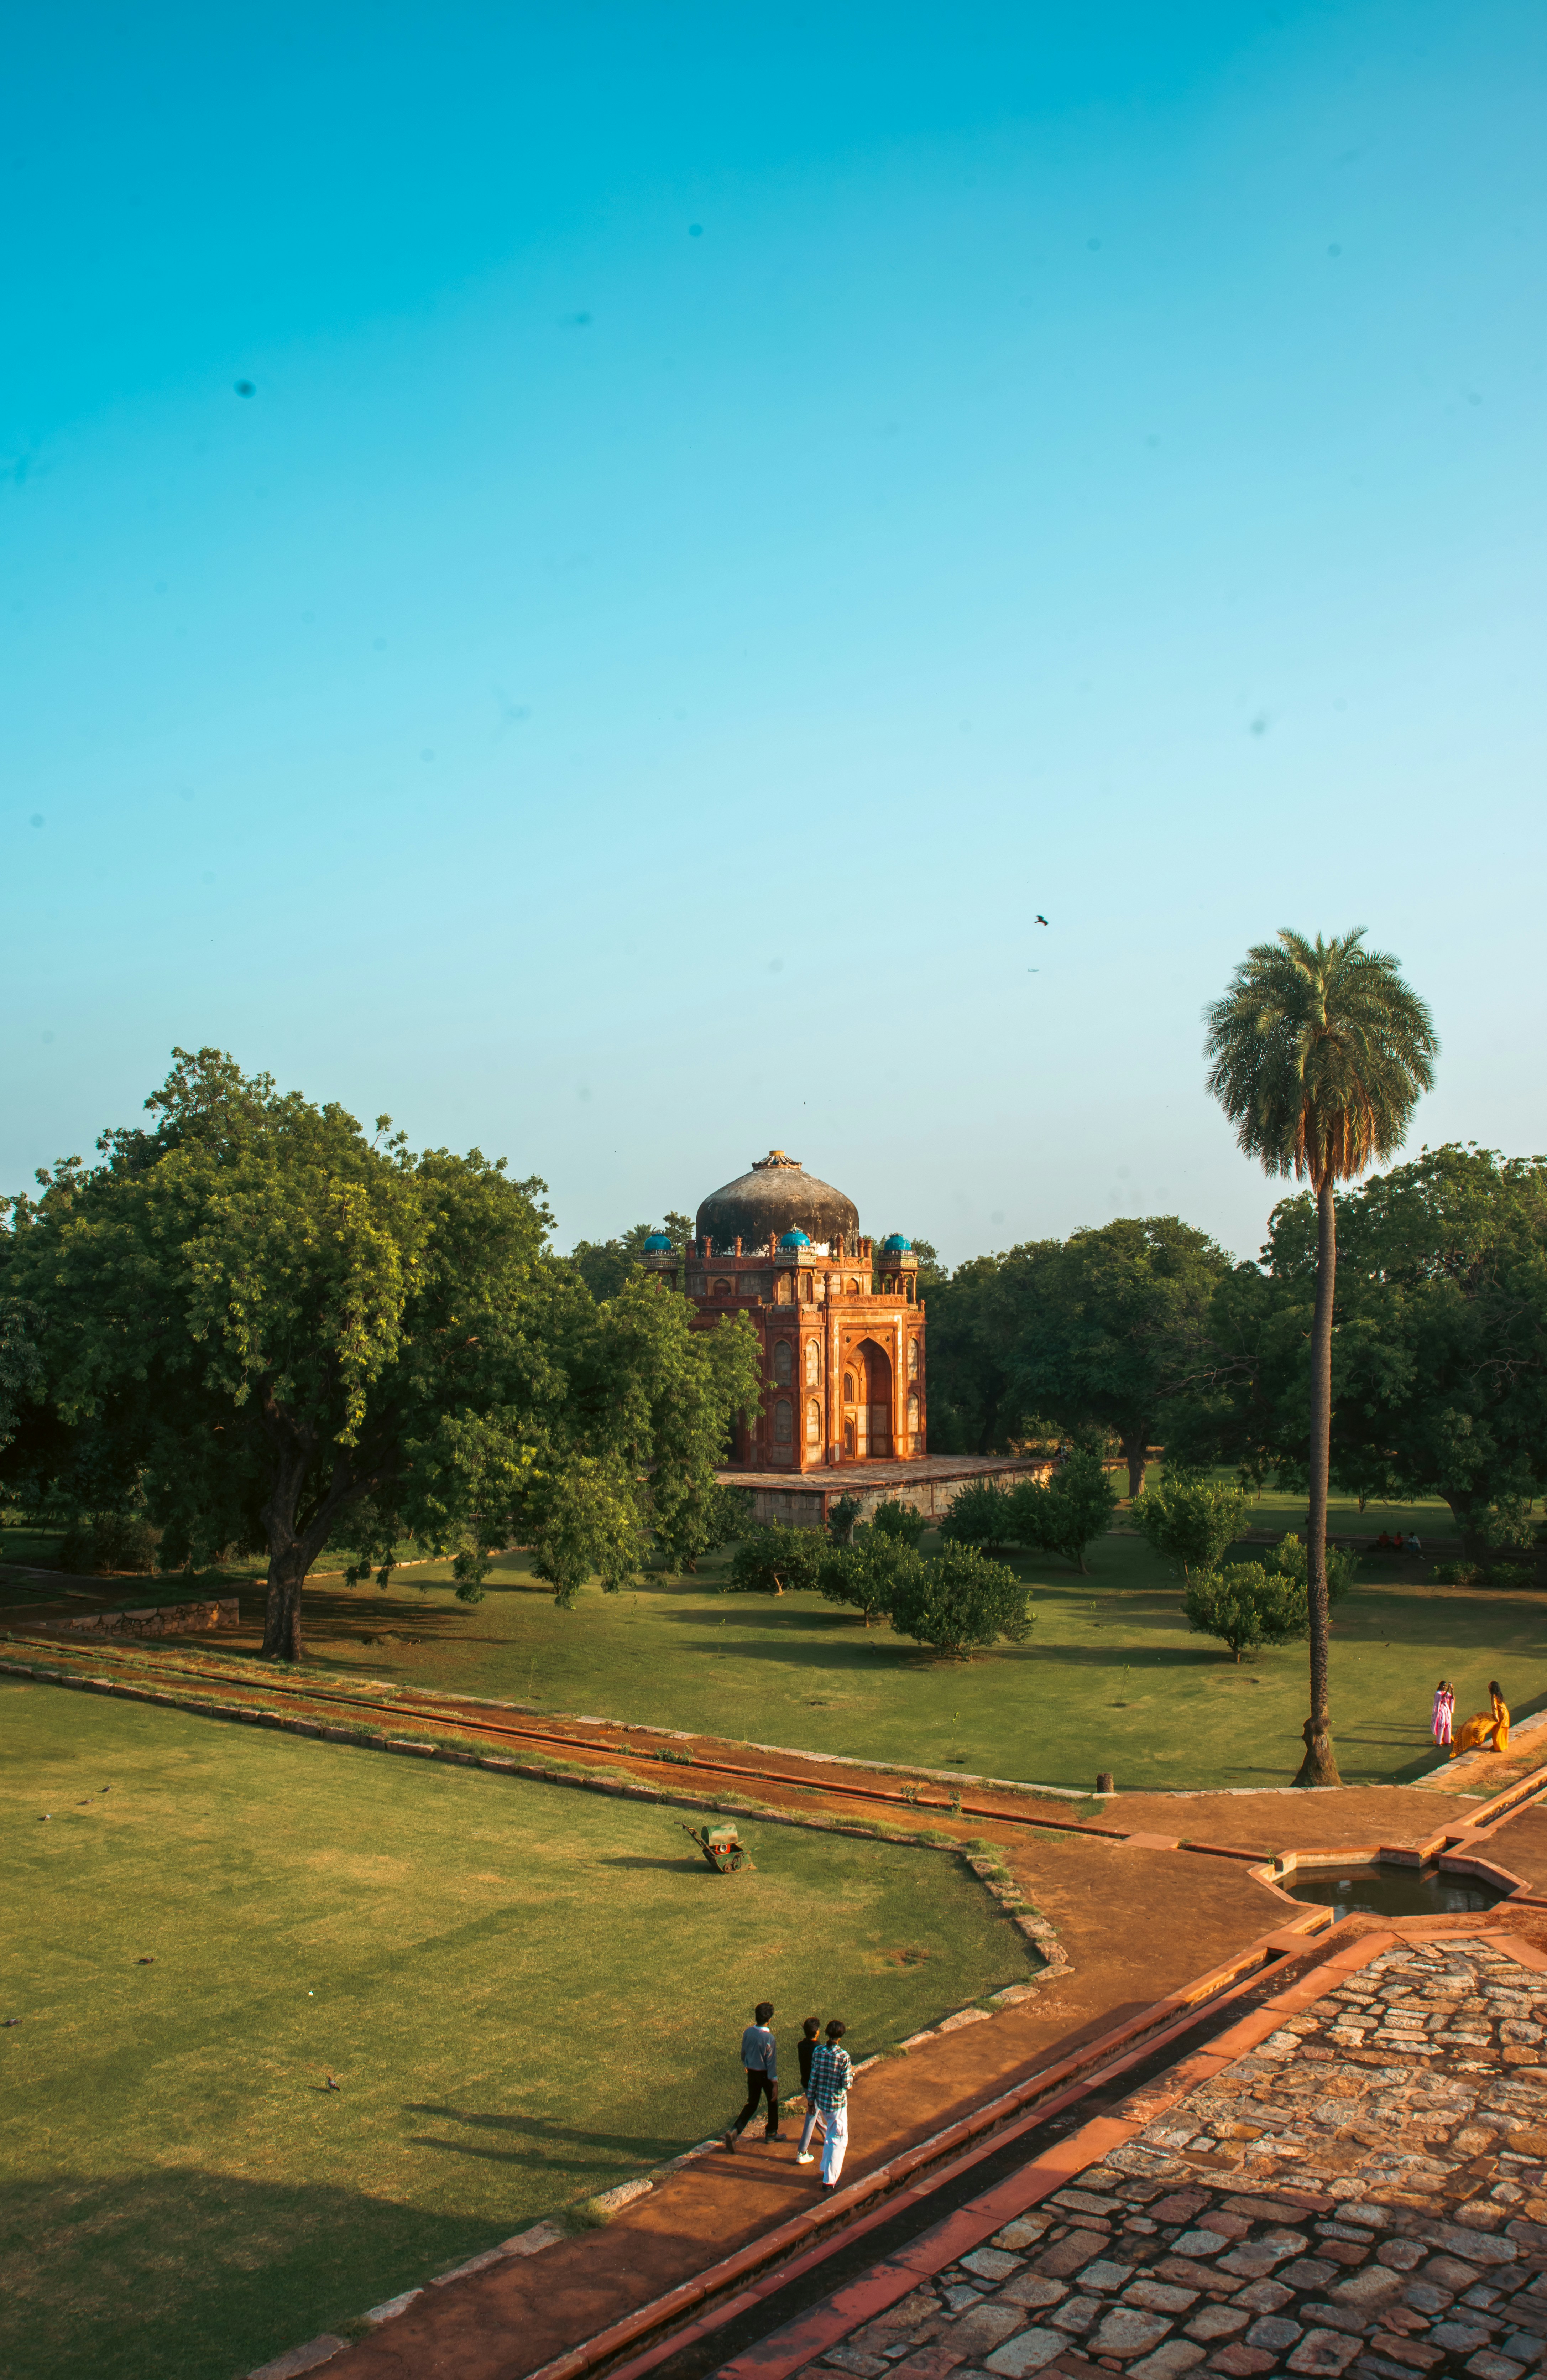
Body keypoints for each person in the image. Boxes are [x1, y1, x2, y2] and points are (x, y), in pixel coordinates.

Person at [804, 2019, 854, 2189]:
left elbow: (814, 2078)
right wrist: (852, 2074)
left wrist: (811, 2101)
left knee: (830, 2138)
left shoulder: (818, 2051)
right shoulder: (844, 2057)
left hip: (822, 2103)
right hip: (837, 2105)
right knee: (838, 2140)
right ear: (841, 2036)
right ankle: (830, 2181)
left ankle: (826, 2170)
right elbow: (847, 2084)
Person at [723, 2002, 779, 2148]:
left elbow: (743, 2053)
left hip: (752, 2074)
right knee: (772, 2101)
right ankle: (772, 2133)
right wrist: (775, 2083)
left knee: (752, 2104)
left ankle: (735, 2130)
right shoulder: (770, 2039)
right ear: (770, 2020)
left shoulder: (748, 2032)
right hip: (765, 2075)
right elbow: (771, 2063)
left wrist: (746, 2064)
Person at [795, 2017, 826, 2165]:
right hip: (816, 2087)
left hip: (806, 2085)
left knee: (815, 2113)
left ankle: (826, 2135)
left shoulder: (801, 2045)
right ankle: (802, 2152)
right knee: (812, 2115)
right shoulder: (819, 2049)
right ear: (817, 2032)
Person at [1452, 1681, 1510, 1757]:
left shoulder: (1494, 1696)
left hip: (1500, 1715)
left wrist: (1496, 1718)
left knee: (1497, 1732)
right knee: (1502, 1731)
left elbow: (1495, 1708)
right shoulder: (1499, 1695)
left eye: (1490, 1684)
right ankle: (1502, 1746)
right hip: (1505, 1713)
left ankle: (1498, 1748)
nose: (1488, 1685)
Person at [1432, 1681, 1453, 1749]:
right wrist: (1448, 1690)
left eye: (1446, 1686)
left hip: (1447, 1711)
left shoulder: (1446, 1693)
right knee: (1441, 1725)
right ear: (1440, 1686)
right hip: (1441, 1711)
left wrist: (1452, 1691)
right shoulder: (1438, 1693)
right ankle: (1439, 1742)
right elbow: (1442, 1698)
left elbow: (1451, 1698)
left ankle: (1448, 1741)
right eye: (1444, 1686)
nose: (1444, 1687)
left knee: (1448, 1726)